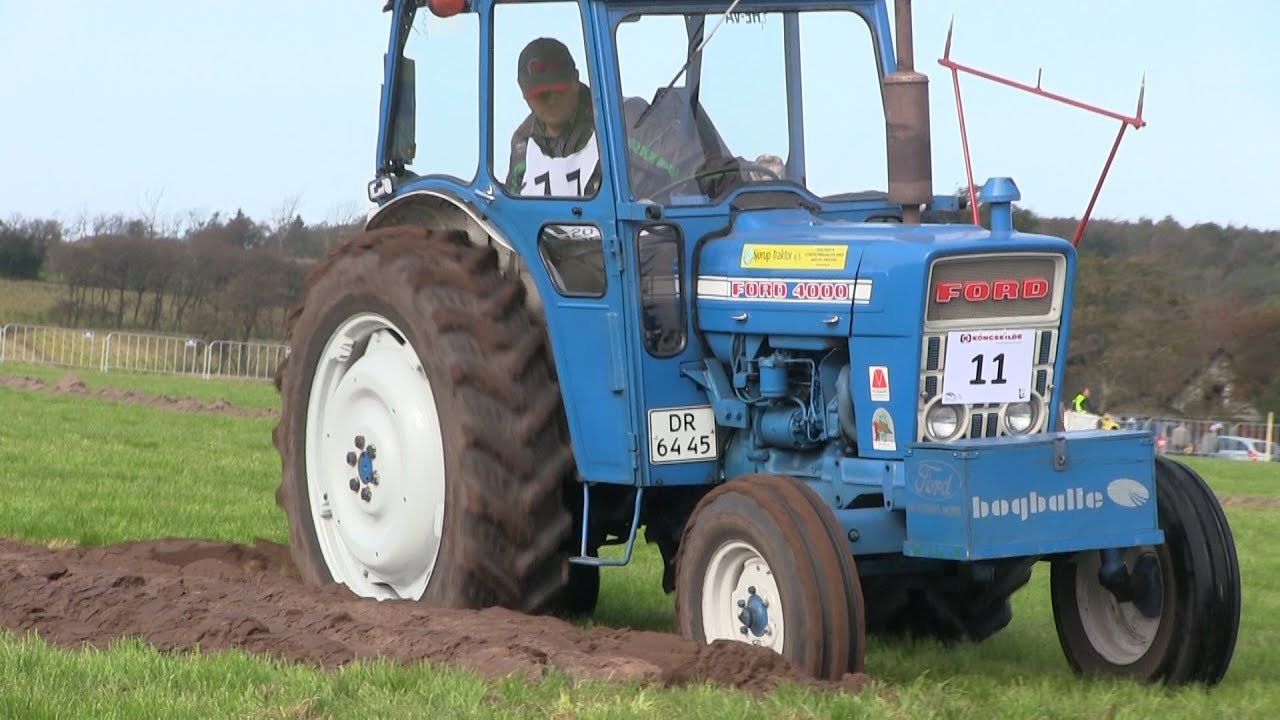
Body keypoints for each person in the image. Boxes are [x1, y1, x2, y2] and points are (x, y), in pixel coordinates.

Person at [506, 37, 733, 201]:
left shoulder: (620, 121)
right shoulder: (523, 144)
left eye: (559, 89)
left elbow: (692, 164)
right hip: (553, 261)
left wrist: (738, 185)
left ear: (575, 80)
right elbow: (509, 212)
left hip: (633, 252)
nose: (552, 100)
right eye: (541, 95)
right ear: (524, 95)